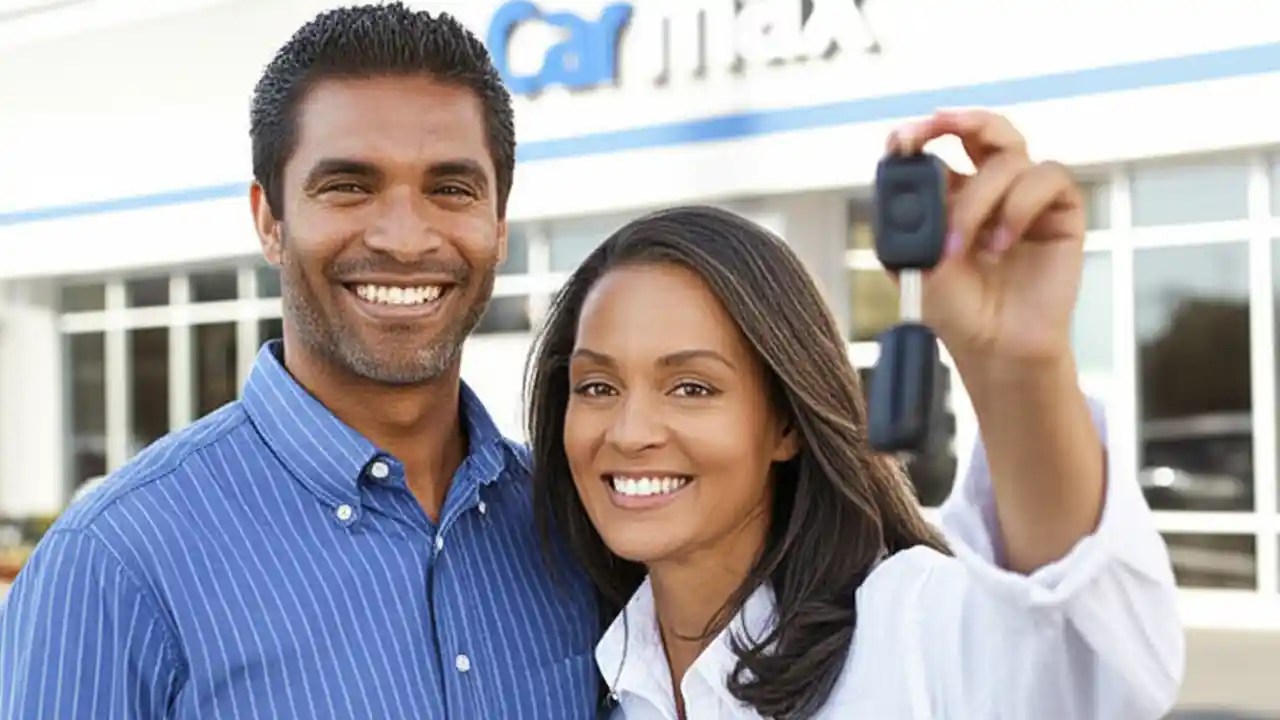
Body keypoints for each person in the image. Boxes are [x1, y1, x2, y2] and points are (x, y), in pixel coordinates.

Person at [0, 5, 603, 718]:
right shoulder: (113, 562)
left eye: (450, 189)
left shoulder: (573, 524)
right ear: (269, 220)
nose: (406, 239)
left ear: (498, 224)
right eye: (349, 185)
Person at [525, 110, 1185, 719]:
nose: (630, 432)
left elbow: (1088, 667)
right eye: (598, 386)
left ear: (787, 423)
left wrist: (1019, 372)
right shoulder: (602, 679)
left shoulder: (911, 624)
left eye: (692, 388)